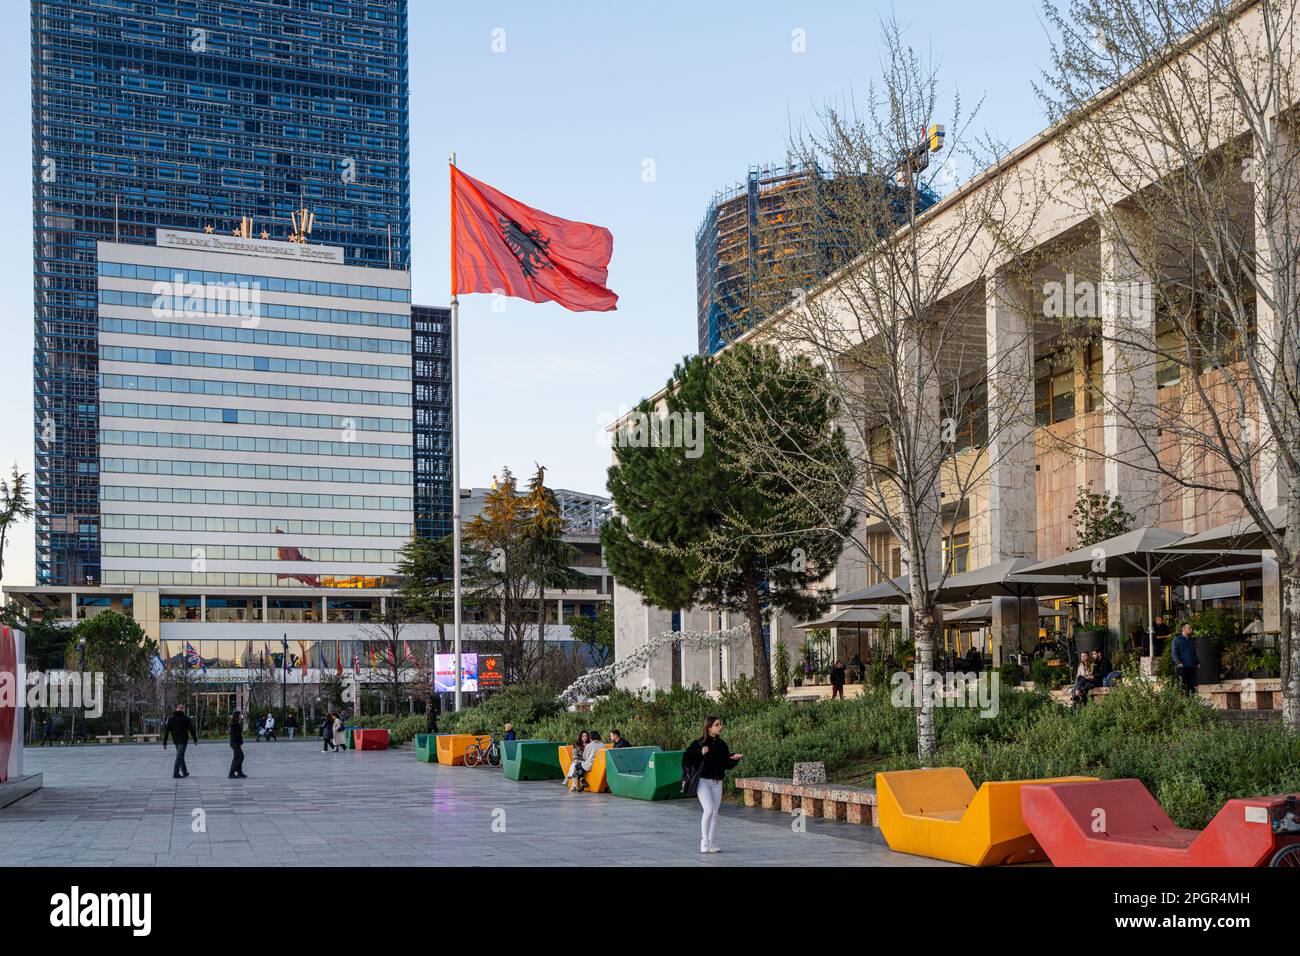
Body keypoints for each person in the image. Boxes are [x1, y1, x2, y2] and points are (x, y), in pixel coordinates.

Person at [682, 716, 743, 853]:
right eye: (717, 725)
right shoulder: (699, 743)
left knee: (715, 813)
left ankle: (711, 842)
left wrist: (733, 758)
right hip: (703, 782)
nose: (720, 727)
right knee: (708, 810)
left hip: (717, 782)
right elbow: (686, 758)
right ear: (709, 727)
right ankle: (704, 842)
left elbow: (726, 763)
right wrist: (700, 752)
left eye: (720, 724)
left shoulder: (722, 744)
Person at [162, 703, 198, 778]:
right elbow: (191, 730)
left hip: (176, 740)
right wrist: (195, 739)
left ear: (176, 709)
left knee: (180, 755)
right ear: (183, 710)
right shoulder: (186, 719)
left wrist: (164, 743)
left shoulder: (171, 719)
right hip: (183, 740)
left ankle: (184, 772)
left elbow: (167, 731)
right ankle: (175, 773)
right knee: (179, 756)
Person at [1171, 622, 1199, 694]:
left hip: (1191, 666)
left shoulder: (1190, 640)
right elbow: (1174, 653)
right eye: (1189, 628)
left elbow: (1193, 652)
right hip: (1182, 667)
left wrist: (1197, 662)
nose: (1191, 629)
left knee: (1192, 687)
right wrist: (1178, 662)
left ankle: (1191, 703)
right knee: (1181, 686)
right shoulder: (1177, 639)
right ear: (1183, 629)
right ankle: (1181, 703)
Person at [228, 710, 247, 779]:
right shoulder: (234, 724)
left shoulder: (235, 723)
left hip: (235, 743)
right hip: (235, 743)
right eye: (240, 715)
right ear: (237, 716)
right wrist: (239, 742)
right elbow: (237, 734)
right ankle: (231, 773)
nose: (241, 716)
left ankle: (239, 772)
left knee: (241, 757)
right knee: (237, 758)